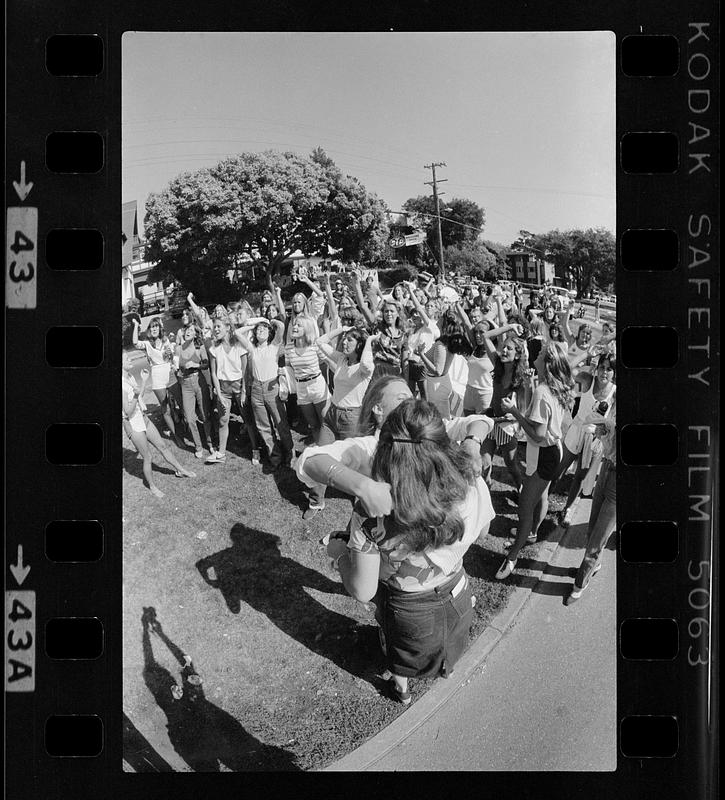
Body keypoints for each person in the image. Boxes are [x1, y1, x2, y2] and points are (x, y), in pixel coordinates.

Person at [316, 398, 495, 703]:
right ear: (443, 440)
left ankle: (401, 690)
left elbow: (363, 590)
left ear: (383, 452)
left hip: (407, 608)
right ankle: (441, 669)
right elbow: (483, 531)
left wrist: (340, 554)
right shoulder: (469, 480)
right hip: (457, 592)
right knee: (446, 644)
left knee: (399, 651)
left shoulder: (370, 515)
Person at [495, 343, 575, 579]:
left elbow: (538, 434)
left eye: (540, 354)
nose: (536, 355)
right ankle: (531, 533)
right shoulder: (551, 386)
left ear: (547, 362)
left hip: (543, 454)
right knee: (540, 498)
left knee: (524, 507)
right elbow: (540, 420)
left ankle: (512, 557)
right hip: (551, 451)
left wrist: (515, 412)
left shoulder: (543, 390)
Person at [551, 354, 617, 527]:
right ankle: (541, 499)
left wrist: (606, 429)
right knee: (559, 469)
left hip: (595, 438)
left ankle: (567, 509)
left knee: (580, 476)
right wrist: (587, 354)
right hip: (577, 429)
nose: (604, 372)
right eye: (602, 367)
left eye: (609, 369)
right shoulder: (588, 379)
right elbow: (567, 369)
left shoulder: (615, 392)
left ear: (614, 372)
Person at [122, 349, 195, 497]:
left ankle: (181, 470)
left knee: (162, 445)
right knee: (148, 457)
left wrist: (143, 381)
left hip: (143, 417)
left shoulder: (129, 377)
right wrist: (136, 395)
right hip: (132, 424)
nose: (130, 361)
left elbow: (140, 397)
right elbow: (128, 411)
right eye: (127, 359)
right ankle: (153, 487)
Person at [565, 400, 616, 605]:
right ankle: (594, 565)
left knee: (598, 537)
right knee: (593, 526)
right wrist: (604, 433)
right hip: (606, 467)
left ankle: (580, 583)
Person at [479, 336, 531, 493]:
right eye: (504, 347)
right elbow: (486, 337)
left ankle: (521, 488)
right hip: (491, 420)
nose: (504, 350)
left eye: (509, 348)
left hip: (506, 426)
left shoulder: (521, 377)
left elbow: (525, 407)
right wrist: (510, 328)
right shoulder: (497, 363)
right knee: (484, 462)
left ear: (517, 355)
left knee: (511, 464)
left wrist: (514, 417)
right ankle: (485, 492)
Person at [206, 315, 251, 464]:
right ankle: (221, 453)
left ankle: (256, 449)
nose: (216, 329)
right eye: (214, 327)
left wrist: (244, 391)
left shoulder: (239, 345)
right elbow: (213, 372)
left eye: (219, 326)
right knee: (223, 421)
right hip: (223, 388)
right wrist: (219, 394)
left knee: (247, 418)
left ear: (227, 327)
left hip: (239, 386)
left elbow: (245, 371)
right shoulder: (214, 348)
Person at [131, 316, 180, 445]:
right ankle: (177, 436)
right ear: (149, 330)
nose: (154, 329)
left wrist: (170, 355)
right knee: (166, 409)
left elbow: (171, 357)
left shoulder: (166, 341)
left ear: (160, 328)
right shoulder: (147, 344)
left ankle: (183, 423)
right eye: (152, 327)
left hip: (169, 373)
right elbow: (135, 342)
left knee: (180, 401)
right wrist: (136, 325)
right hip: (157, 377)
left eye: (156, 326)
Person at [175, 323, 215, 459]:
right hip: (185, 385)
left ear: (196, 334)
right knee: (190, 418)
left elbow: (206, 363)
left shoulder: (200, 347)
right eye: (187, 329)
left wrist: (195, 365)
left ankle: (210, 443)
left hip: (199, 382)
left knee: (205, 415)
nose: (189, 331)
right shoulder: (178, 349)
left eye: (192, 330)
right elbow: (176, 367)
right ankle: (198, 446)